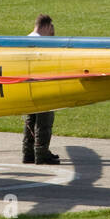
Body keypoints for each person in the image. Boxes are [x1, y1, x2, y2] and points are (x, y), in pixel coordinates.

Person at [22, 14, 61, 165]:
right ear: (46, 26)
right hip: (41, 87)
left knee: (31, 120)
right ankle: (41, 154)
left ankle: (28, 152)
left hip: (27, 87)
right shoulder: (41, 43)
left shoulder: (26, 39)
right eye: (51, 30)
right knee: (44, 121)